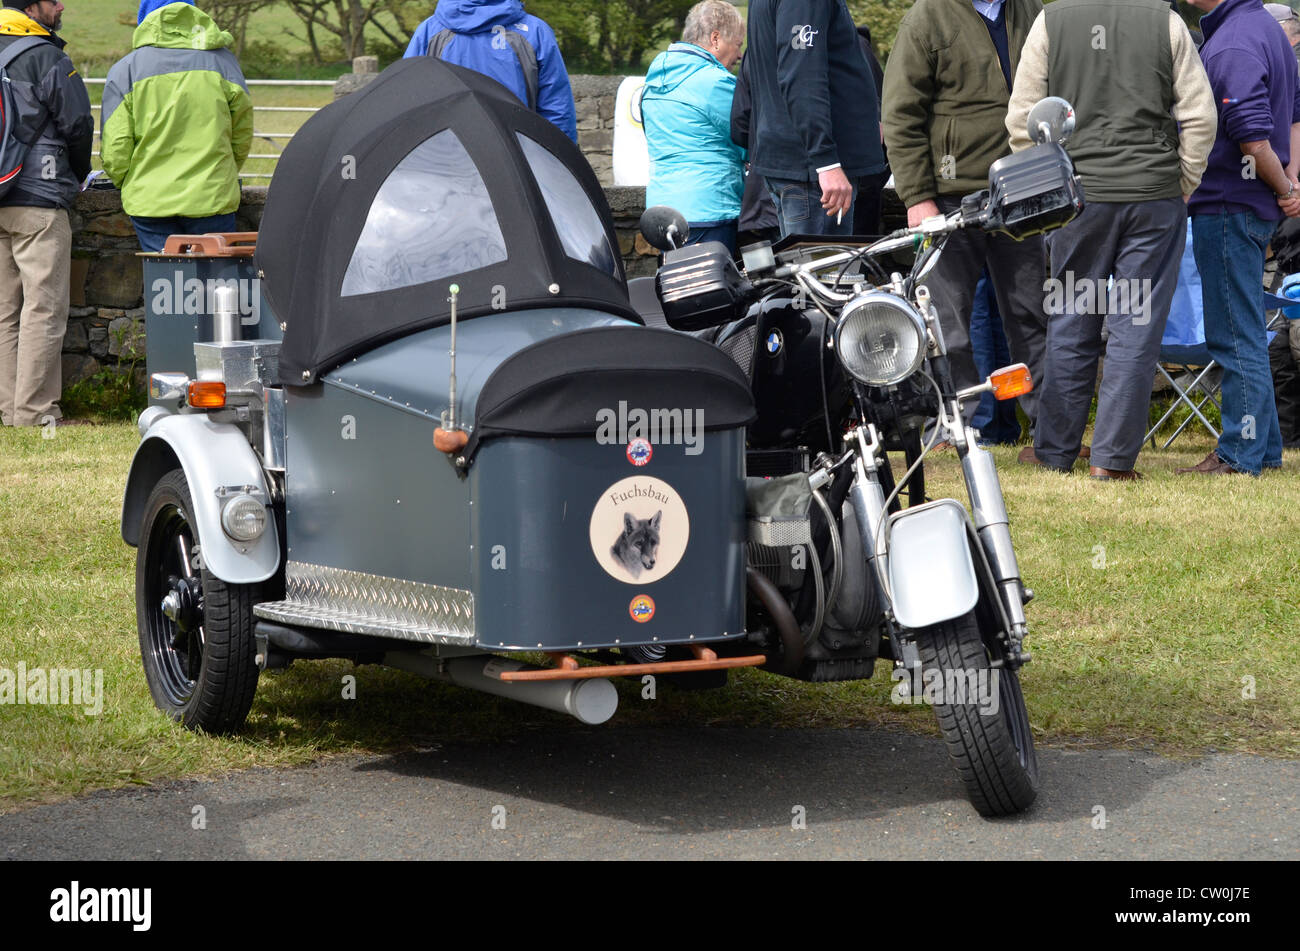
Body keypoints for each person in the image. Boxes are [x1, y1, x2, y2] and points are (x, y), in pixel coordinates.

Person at [1006, 0, 1217, 481]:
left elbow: (1022, 120)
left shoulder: (1051, 21)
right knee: (1134, 328)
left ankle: (1055, 450)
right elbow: (1201, 117)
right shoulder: (1164, 22)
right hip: (1153, 198)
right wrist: (1180, 181)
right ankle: (1112, 462)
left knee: (1071, 322)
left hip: (1079, 200)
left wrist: (1051, 183)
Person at [882, 0, 1048, 432]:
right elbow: (900, 115)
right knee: (946, 322)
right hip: (950, 197)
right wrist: (917, 196)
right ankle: (955, 426)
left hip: (1025, 187)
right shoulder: (926, 15)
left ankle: (1052, 430)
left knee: (1032, 313)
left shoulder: (1032, 9)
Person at [1178, 0, 1300, 477]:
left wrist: (1286, 185)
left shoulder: (1233, 42)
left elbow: (1251, 134)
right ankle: (1265, 449)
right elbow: (1294, 115)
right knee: (1247, 327)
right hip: (1250, 205)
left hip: (1229, 203)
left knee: (1233, 333)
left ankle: (1239, 453)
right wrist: (1289, 182)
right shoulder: (1263, 29)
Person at [0, 0, 92, 428]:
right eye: (54, 0)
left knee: (4, 312)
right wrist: (78, 175)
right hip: (38, 195)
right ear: (33, 6)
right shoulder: (46, 56)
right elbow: (77, 124)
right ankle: (34, 414)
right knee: (44, 308)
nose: (61, 6)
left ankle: (9, 411)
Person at [100, 0, 252, 253]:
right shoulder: (223, 62)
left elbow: (116, 146)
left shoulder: (126, 68)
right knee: (216, 286)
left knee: (166, 284)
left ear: (145, 18)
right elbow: (242, 131)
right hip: (211, 194)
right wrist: (223, 173)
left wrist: (127, 180)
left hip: (150, 198)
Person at [743, 0, 886, 238]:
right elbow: (802, 78)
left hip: (800, 165)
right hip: (812, 172)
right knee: (823, 271)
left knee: (807, 268)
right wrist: (826, 162)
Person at [642, 0, 746, 254]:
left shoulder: (654, 80)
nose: (740, 55)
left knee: (676, 287)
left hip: (664, 212)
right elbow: (748, 139)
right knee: (715, 290)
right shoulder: (715, 83)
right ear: (716, 38)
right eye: (738, 44)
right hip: (710, 209)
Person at [404, 0, 576, 144]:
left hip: (445, 152)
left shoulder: (429, 30)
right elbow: (556, 107)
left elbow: (405, 98)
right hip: (516, 154)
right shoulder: (536, 31)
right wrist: (566, 164)